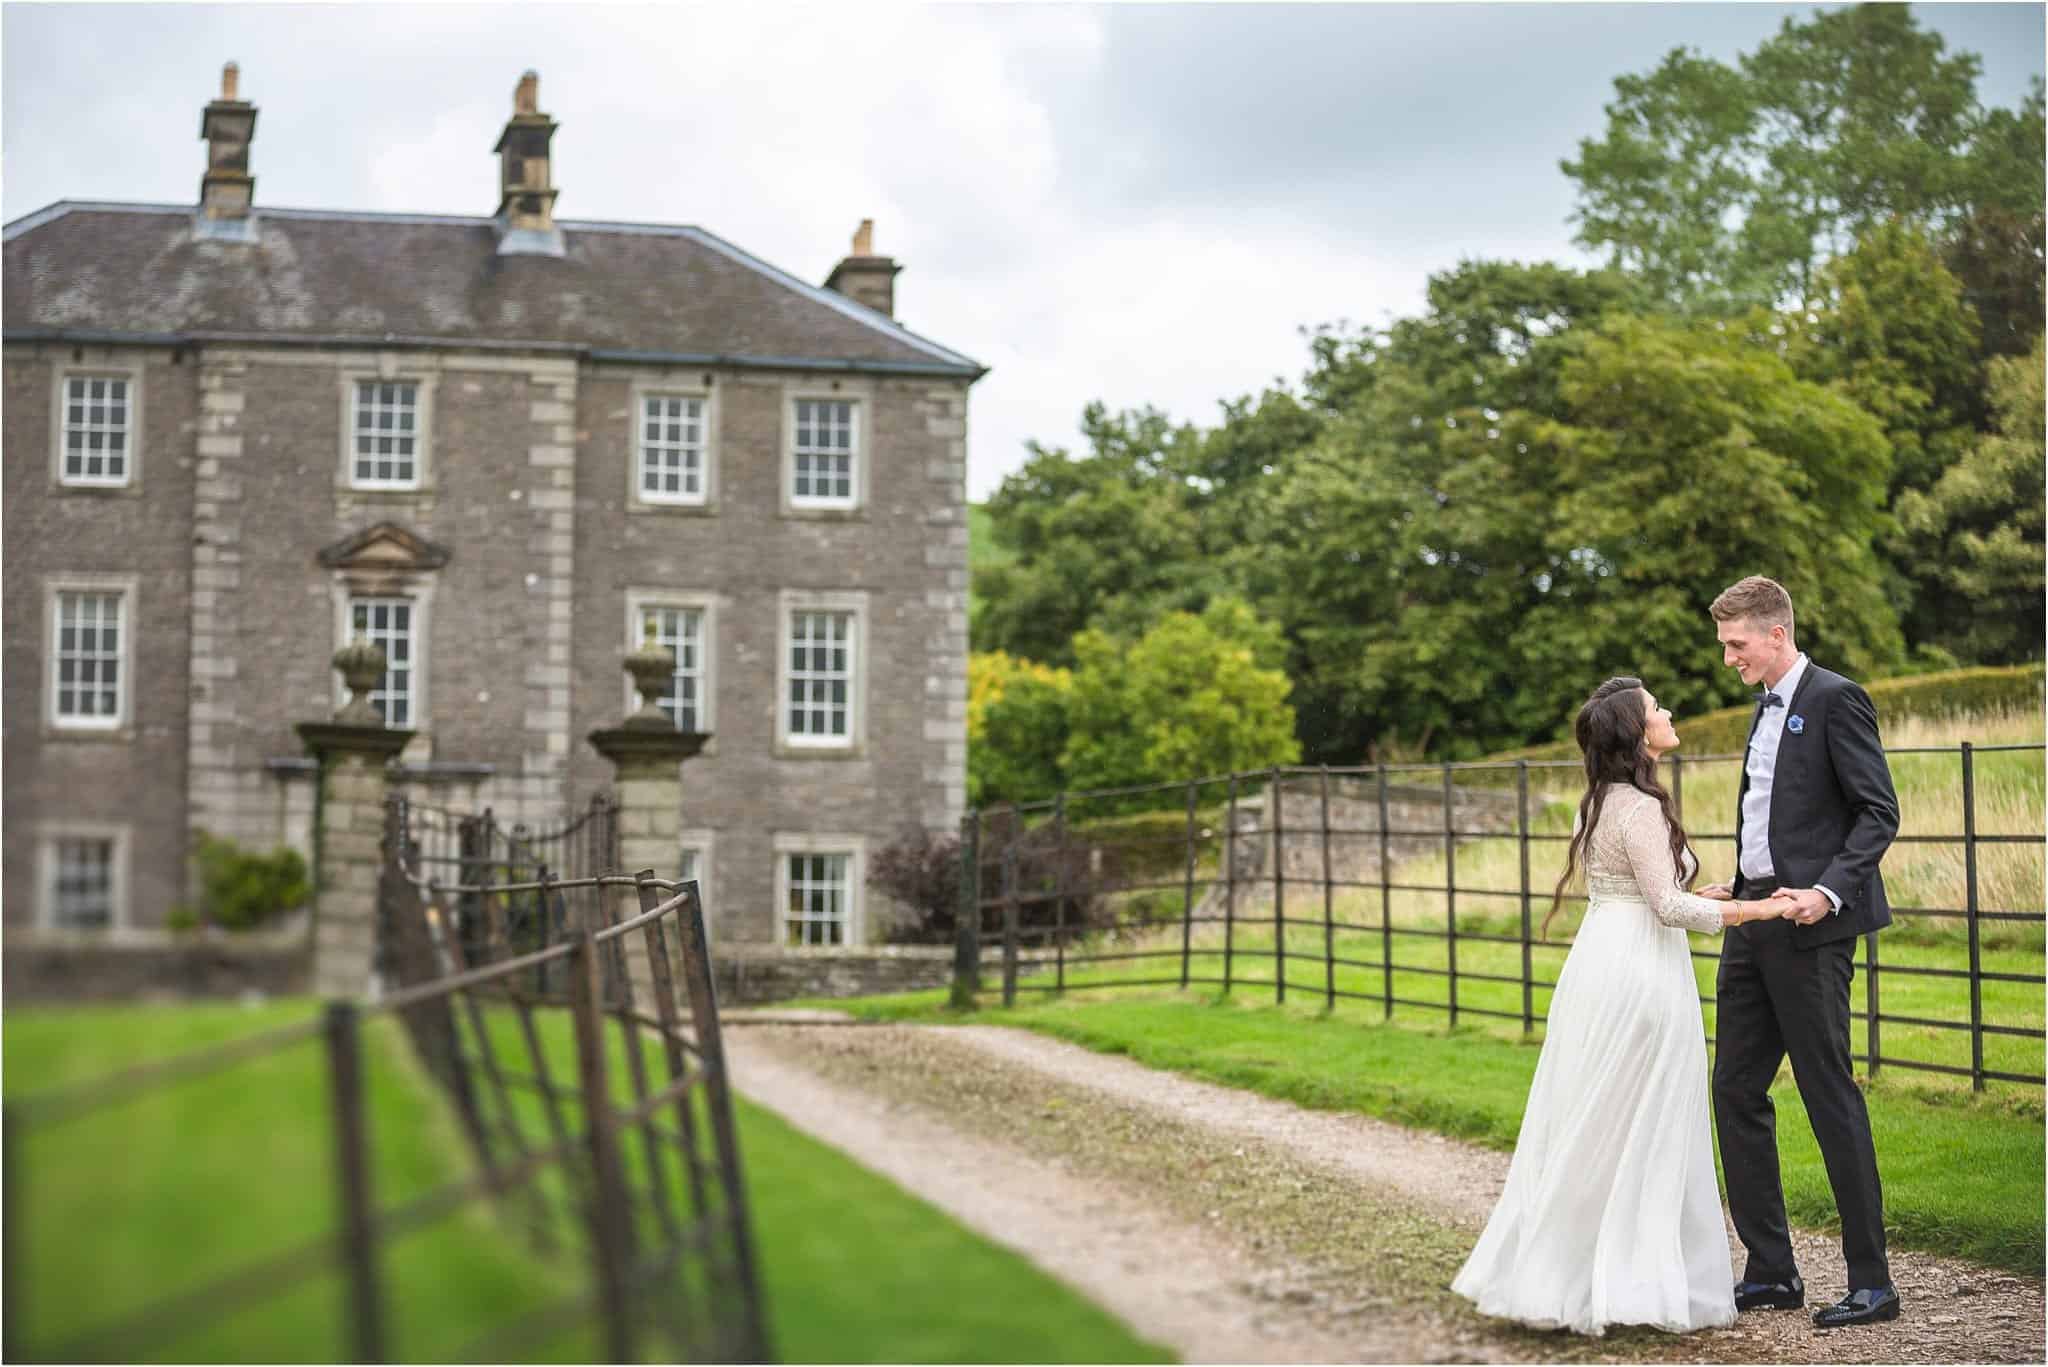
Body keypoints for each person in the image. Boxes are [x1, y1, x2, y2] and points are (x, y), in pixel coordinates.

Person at [1452, 676, 1794, 1337]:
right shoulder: (1636, 805)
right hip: (1640, 968)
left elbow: (1645, 887)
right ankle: (1628, 1279)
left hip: (1603, 956)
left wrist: (1713, 890)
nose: (1668, 711)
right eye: (1655, 708)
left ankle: (1580, 1272)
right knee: (1644, 1116)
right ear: (1640, 735)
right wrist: (1756, 909)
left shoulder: (1602, 799)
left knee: (1602, 1116)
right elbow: (1665, 906)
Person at [1704, 576, 1902, 1329]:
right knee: (1733, 1088)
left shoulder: (1835, 697)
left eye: (1736, 644)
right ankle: (1773, 1270)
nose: (1729, 659)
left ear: (1775, 633)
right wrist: (1744, 879)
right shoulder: (1763, 705)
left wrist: (1826, 891)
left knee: (1828, 1093)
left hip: (1812, 930)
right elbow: (1774, 812)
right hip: (1752, 920)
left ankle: (1873, 1282)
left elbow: (1877, 812)